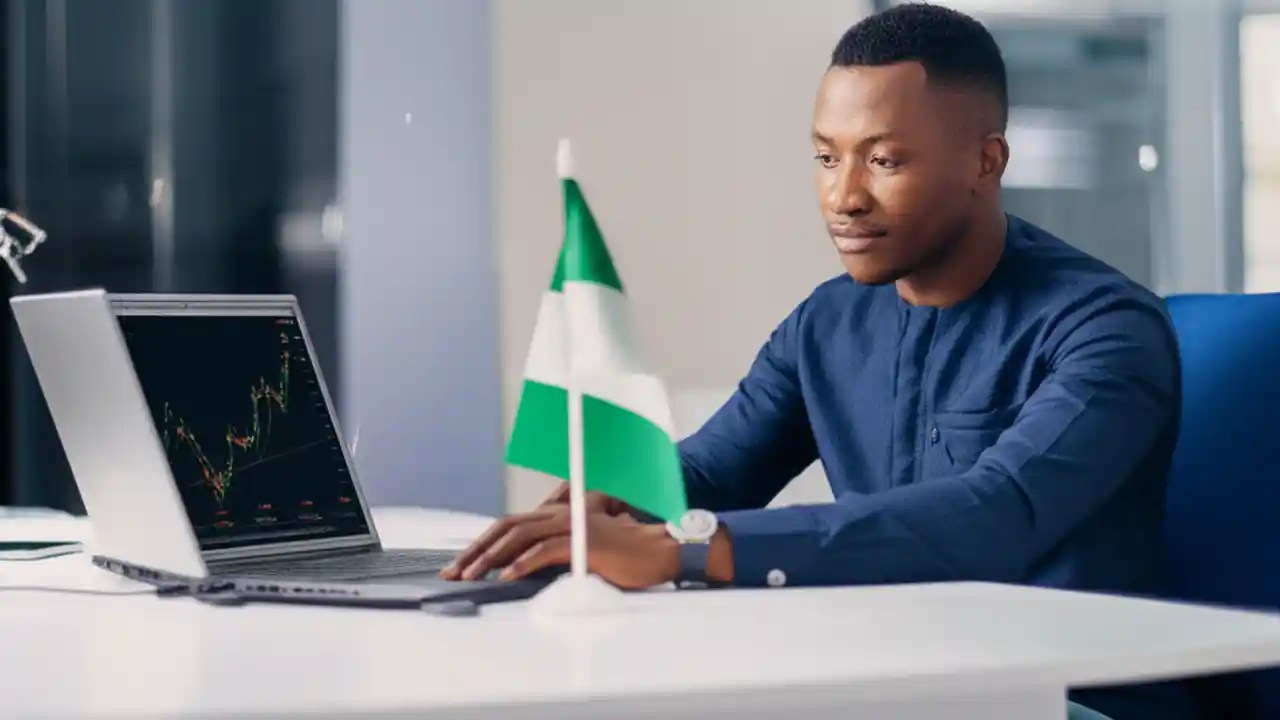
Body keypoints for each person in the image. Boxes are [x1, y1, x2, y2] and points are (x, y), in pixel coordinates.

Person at [442, 4, 1193, 719]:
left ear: (985, 161)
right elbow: (709, 472)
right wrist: (614, 505)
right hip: (887, 679)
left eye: (885, 160)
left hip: (1071, 701)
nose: (844, 196)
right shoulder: (826, 322)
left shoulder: (1108, 330)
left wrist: (683, 550)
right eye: (827, 157)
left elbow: (993, 516)